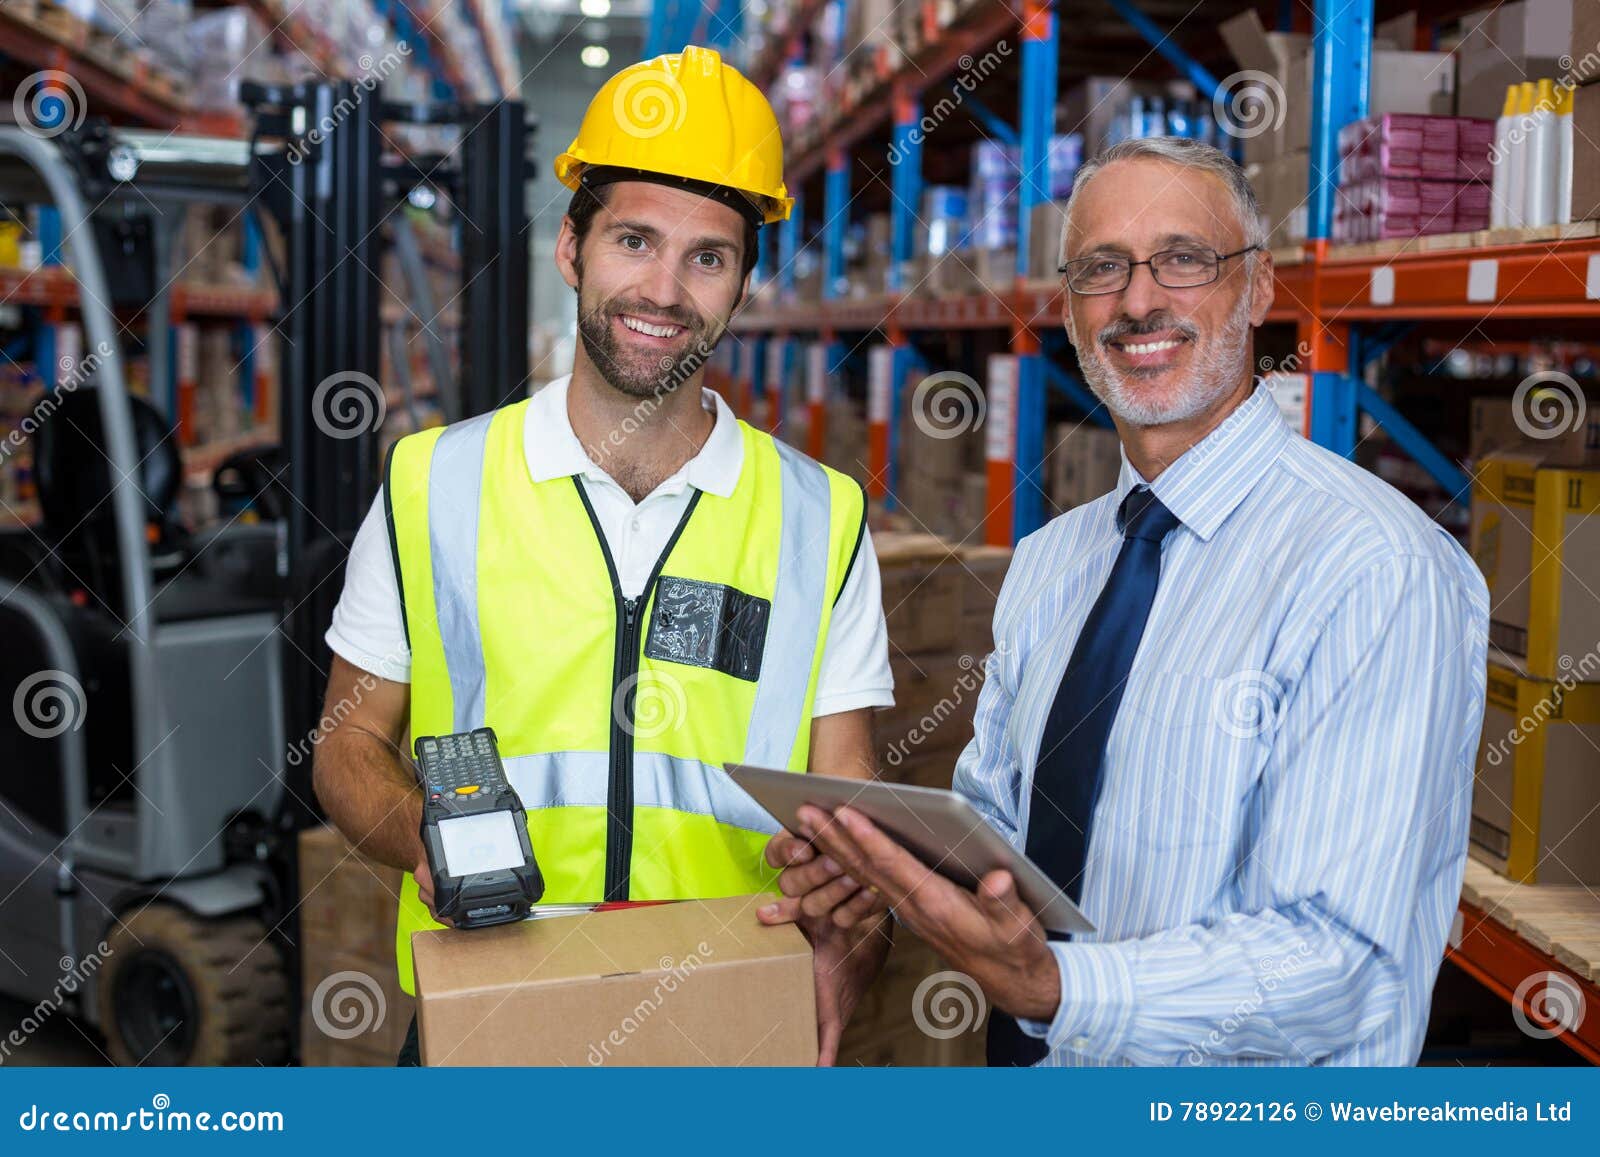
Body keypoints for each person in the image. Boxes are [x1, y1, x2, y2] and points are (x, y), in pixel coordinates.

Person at [765, 136, 1490, 1066]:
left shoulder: (1374, 568)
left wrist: (1060, 988)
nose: (1138, 301)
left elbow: (1341, 962)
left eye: (1183, 258)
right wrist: (879, 870)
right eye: (1102, 268)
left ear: (1259, 287)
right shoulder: (1051, 564)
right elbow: (998, 837)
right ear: (1068, 310)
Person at [313, 46, 894, 1066]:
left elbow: (845, 799)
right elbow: (346, 743)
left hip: (722, 1008)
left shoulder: (821, 516)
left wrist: (853, 923)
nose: (663, 290)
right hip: (491, 995)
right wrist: (430, 841)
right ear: (570, 248)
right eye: (634, 240)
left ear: (741, 285)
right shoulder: (432, 483)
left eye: (707, 257)